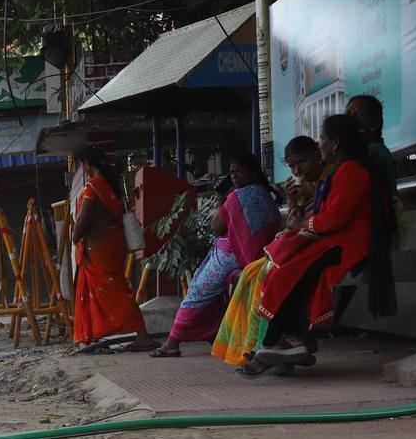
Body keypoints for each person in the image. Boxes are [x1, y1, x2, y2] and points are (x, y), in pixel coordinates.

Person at [224, 116, 396, 376]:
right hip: (340, 239)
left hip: (350, 244)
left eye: (323, 139)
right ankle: (287, 340)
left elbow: (335, 218)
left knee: (288, 271)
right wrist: (300, 215)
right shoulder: (345, 168)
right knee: (284, 269)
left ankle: (284, 341)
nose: (320, 144)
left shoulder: (351, 170)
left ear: (335, 143)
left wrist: (304, 224)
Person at [151, 154, 282, 357]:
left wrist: (222, 201)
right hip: (258, 255)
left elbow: (217, 227)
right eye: (232, 172)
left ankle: (172, 342)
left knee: (197, 292)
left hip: (231, 254)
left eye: (239, 172)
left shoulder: (237, 197)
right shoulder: (265, 194)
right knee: (210, 295)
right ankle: (214, 335)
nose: (234, 176)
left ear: (253, 174)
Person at [212, 136, 323, 367]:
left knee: (268, 274)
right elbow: (296, 220)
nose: (297, 170)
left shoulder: (326, 181)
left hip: (317, 245)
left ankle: (273, 343)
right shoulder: (305, 186)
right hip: (294, 245)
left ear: (317, 156)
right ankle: (265, 345)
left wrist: (311, 196)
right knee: (252, 273)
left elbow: (328, 216)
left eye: (301, 162)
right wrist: (293, 202)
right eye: (292, 166)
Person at [70, 145, 156, 351]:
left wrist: (75, 237)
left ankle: (142, 335)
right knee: (112, 289)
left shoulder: (93, 186)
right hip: (113, 245)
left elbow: (83, 219)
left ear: (86, 164)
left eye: (81, 164)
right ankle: (95, 338)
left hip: (99, 248)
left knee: (114, 291)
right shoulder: (111, 185)